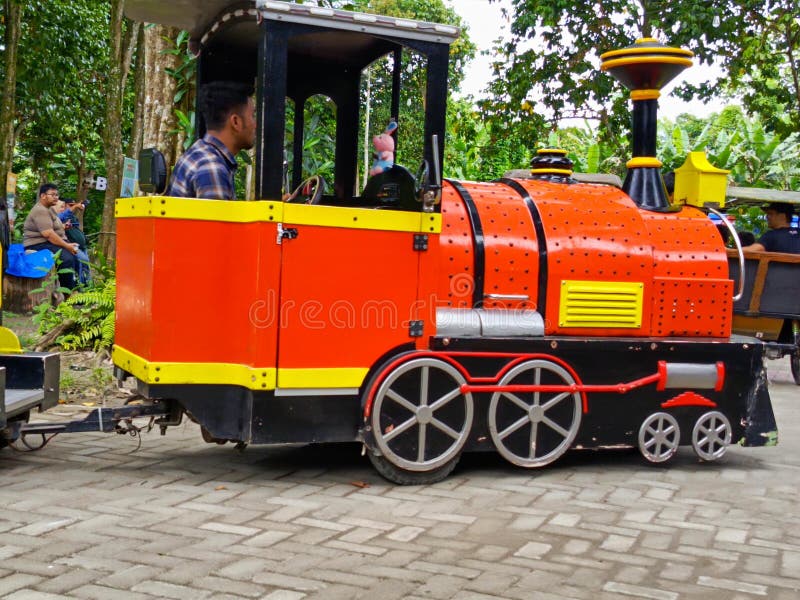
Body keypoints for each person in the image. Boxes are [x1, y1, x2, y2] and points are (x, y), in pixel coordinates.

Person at [165, 81, 256, 200]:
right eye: (253, 116)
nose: (255, 124)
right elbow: (220, 219)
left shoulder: (200, 152)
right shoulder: (212, 167)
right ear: (235, 122)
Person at [23, 183, 80, 289]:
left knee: (76, 257)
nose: (56, 197)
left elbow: (55, 228)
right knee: (66, 259)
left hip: (48, 243)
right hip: (38, 244)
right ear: (43, 196)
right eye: (53, 194)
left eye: (57, 195)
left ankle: (76, 289)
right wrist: (67, 246)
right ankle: (66, 294)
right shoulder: (40, 210)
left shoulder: (50, 209)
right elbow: (48, 234)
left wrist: (68, 242)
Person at [56, 198, 91, 285]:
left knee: (85, 264)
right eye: (70, 205)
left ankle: (88, 285)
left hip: (82, 246)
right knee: (82, 261)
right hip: (71, 245)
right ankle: (80, 286)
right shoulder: (57, 217)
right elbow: (60, 217)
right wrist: (75, 206)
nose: (72, 208)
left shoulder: (71, 217)